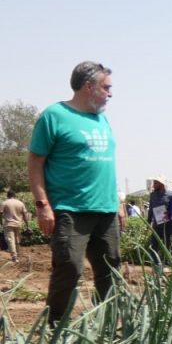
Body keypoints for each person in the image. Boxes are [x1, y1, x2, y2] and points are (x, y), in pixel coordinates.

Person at [27, 61, 121, 324]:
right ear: (89, 86)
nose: (110, 93)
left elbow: (108, 165)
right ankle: (55, 325)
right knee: (69, 266)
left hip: (106, 209)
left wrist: (119, 202)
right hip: (70, 208)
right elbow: (35, 162)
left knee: (110, 268)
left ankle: (105, 325)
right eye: (106, 87)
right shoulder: (54, 115)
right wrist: (42, 204)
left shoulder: (102, 119)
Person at [146, 176, 172, 265]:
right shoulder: (153, 195)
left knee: (167, 244)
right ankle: (156, 263)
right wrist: (148, 221)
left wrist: (169, 213)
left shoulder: (171, 195)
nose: (153, 185)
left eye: (155, 183)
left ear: (161, 184)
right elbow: (151, 208)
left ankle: (167, 262)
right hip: (156, 224)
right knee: (153, 244)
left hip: (167, 224)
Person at [2, 190, 30, 263]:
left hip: (8, 224)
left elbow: (0, 213)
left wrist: (1, 223)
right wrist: (28, 225)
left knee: (10, 240)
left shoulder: (5, 203)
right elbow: (25, 215)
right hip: (18, 224)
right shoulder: (20, 203)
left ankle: (14, 256)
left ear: (7, 196)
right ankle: (17, 254)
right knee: (17, 239)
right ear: (14, 195)